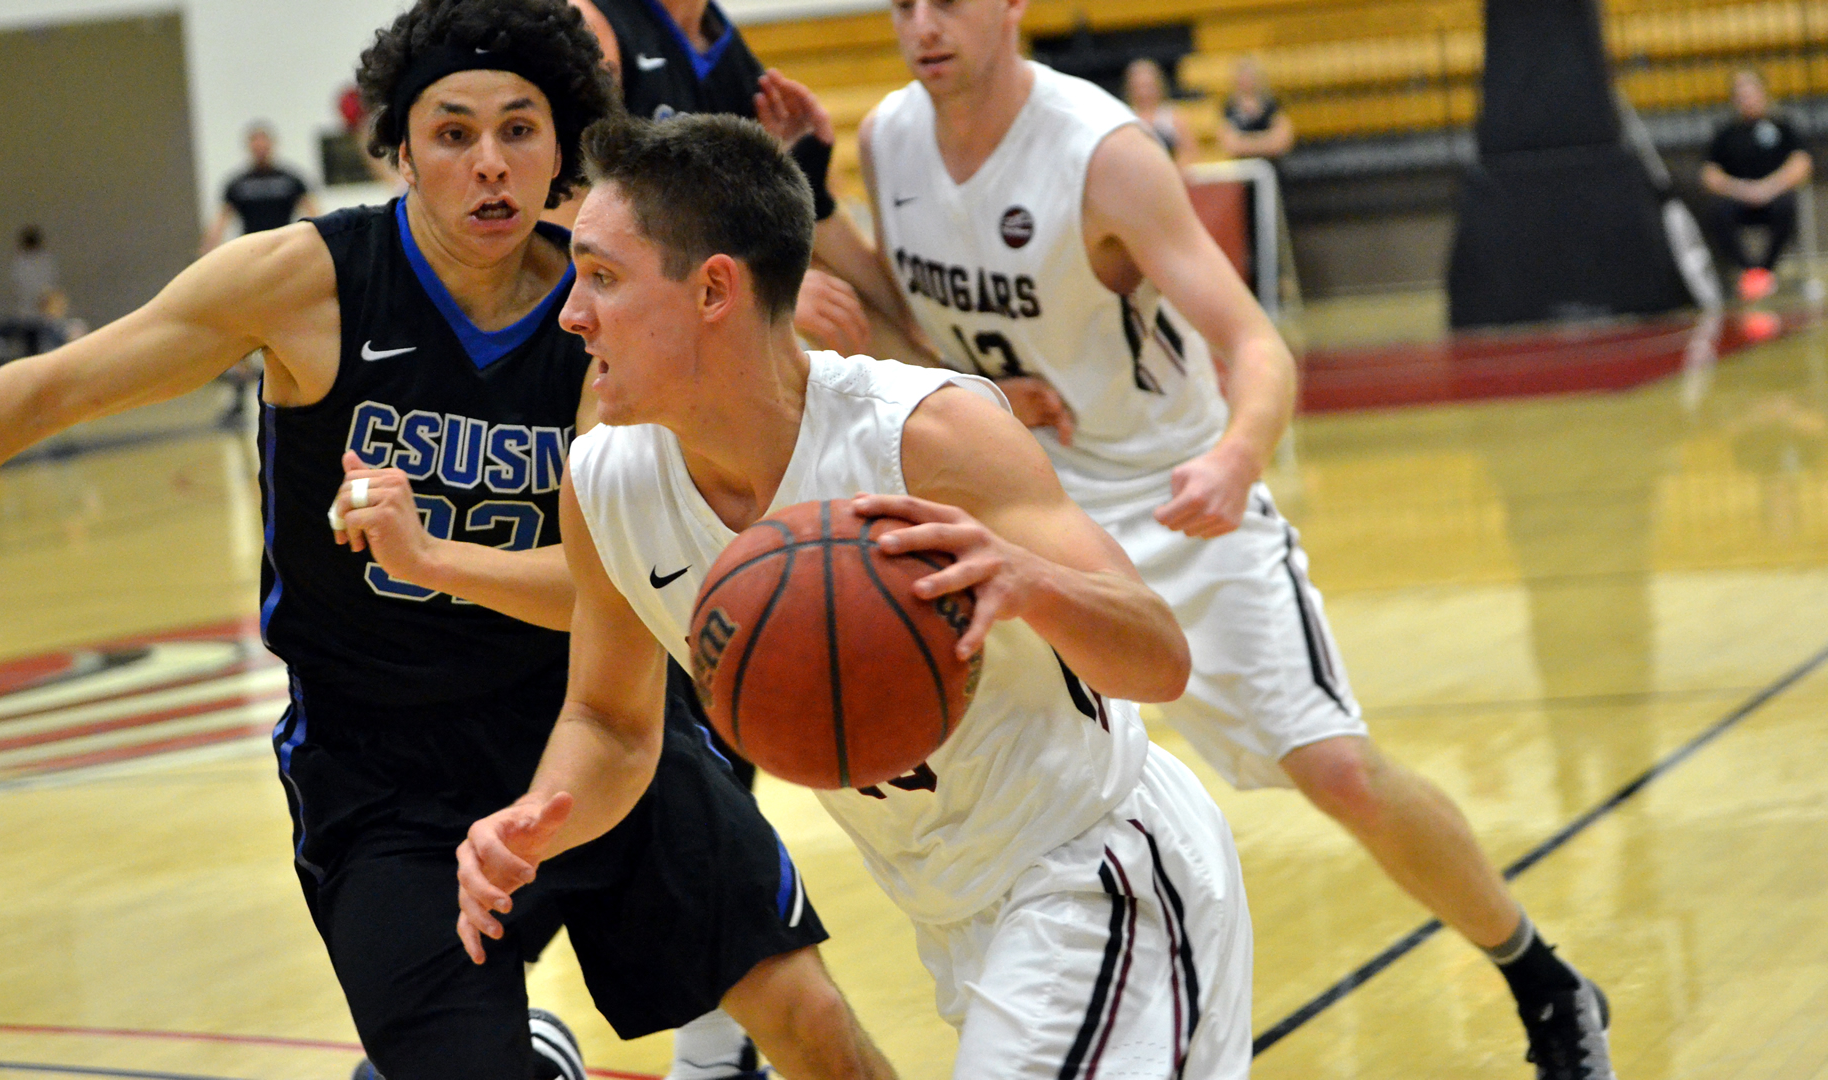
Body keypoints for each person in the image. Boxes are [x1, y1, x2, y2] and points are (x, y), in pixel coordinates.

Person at [0, 3, 897, 1080]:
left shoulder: (600, 306)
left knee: (811, 1021)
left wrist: (433, 559)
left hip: (589, 718)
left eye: (520, 130)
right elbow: (46, 391)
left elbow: (604, 588)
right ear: (400, 148)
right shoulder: (308, 282)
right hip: (379, 764)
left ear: (563, 144)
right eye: (453, 132)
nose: (489, 166)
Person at [858, 0, 1616, 1076]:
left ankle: (1543, 979)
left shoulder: (1100, 153)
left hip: (1170, 503)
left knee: (1338, 767)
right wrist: (980, 386)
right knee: (1015, 797)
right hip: (1024, 513)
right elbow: (917, 317)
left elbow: (1255, 341)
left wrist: (1237, 456)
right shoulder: (888, 137)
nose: (924, 24)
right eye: (902, 3)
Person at [453, 111, 1254, 1080]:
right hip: (956, 918)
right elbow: (613, 725)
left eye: (605, 278)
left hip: (1100, 869)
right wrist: (537, 818)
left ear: (714, 289)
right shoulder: (605, 486)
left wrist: (1031, 582)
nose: (572, 312)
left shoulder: (925, 438)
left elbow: (1160, 658)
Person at [563, 0, 933, 363]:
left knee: (835, 296)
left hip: (690, 285)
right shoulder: (594, 26)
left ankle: (957, 386)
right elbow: (575, 224)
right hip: (595, 311)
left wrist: (807, 185)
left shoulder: (715, 37)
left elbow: (804, 231)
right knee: (800, 297)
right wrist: (761, 291)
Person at [1701, 68, 1815, 302]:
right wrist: (1741, 189)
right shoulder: (1725, 134)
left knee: (1787, 205)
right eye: (1742, 95)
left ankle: (1765, 270)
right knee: (1716, 211)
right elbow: (1709, 174)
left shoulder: (1783, 127)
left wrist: (1769, 188)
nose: (1748, 100)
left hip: (1774, 197)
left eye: (1752, 94)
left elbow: (1802, 163)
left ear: (1763, 94)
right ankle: (1749, 270)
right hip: (1738, 199)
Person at [201, 121, 323, 253]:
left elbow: (313, 212)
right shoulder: (237, 184)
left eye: (263, 143)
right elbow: (220, 221)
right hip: (251, 248)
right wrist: (207, 250)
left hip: (284, 246)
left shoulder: (291, 180)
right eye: (256, 143)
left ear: (272, 144)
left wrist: (322, 240)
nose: (260, 148)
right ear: (249, 146)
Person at [1214, 58, 1293, 162]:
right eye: (1242, 76)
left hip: (1273, 164)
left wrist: (1244, 142)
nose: (1246, 80)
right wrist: (1266, 140)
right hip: (1240, 167)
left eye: (1250, 76)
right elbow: (1229, 145)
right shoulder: (1229, 107)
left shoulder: (1272, 104)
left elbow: (1282, 141)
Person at [1123, 58, 1192, 168]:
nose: (1144, 92)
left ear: (1159, 85)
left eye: (1148, 86)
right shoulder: (1125, 118)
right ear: (1130, 88)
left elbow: (1189, 152)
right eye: (1139, 87)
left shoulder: (1173, 117)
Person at [8, 226, 61, 358]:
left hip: (40, 314)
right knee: (31, 351)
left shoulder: (38, 262)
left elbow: (48, 289)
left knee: (43, 350)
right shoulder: (24, 262)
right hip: (30, 316)